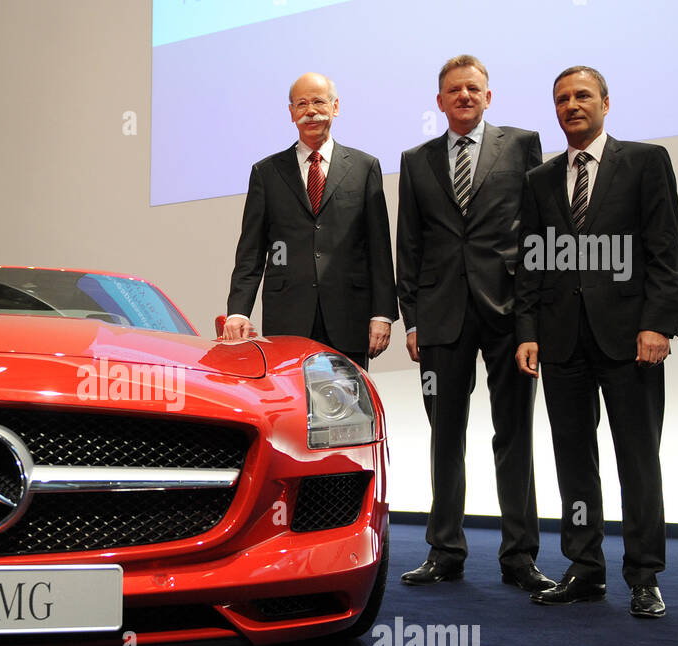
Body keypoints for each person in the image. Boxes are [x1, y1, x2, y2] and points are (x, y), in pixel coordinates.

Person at [514, 66, 678, 618]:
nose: (571, 106)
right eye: (561, 99)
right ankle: (585, 568)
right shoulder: (539, 180)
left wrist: (658, 323)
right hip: (563, 343)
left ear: (606, 103)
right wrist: (528, 331)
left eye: (582, 96)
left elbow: (664, 252)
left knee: (638, 459)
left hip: (631, 340)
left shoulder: (645, 161)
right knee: (574, 463)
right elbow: (532, 265)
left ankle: (644, 575)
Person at [395, 55, 551, 591]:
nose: (464, 96)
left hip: (508, 314)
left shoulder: (522, 144)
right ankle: (445, 551)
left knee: (515, 434)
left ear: (489, 96)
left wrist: (532, 320)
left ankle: (520, 556)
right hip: (440, 316)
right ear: (439, 101)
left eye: (473, 88)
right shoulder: (415, 161)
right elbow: (409, 244)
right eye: (454, 90)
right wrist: (411, 319)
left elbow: (537, 232)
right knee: (445, 436)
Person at [224, 72, 397, 369]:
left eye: (319, 101)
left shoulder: (364, 167)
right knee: (293, 403)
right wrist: (238, 311)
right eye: (301, 104)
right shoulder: (266, 173)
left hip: (349, 314)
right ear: (291, 113)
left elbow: (379, 247)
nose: (311, 111)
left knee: (349, 403)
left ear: (336, 106)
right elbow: (250, 250)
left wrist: (382, 314)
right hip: (287, 316)